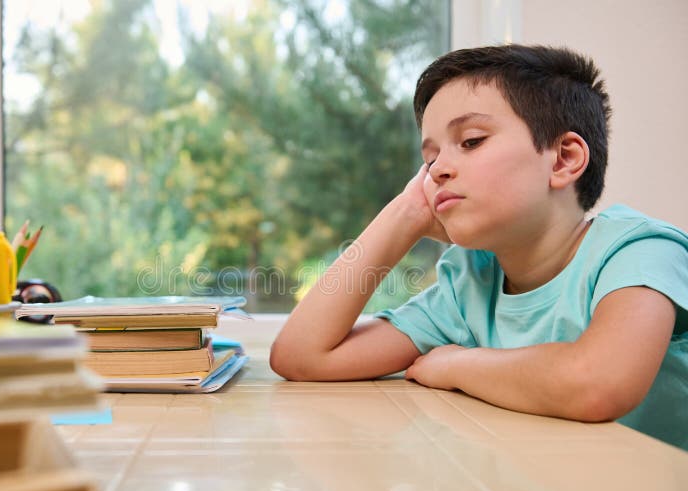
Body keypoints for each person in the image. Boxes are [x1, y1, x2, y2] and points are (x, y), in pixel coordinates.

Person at [269, 44, 688, 450]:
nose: (438, 171)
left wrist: (458, 364)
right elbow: (302, 356)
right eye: (429, 160)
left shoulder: (640, 250)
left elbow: (598, 383)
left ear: (562, 159)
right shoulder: (470, 282)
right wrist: (405, 214)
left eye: (471, 141)